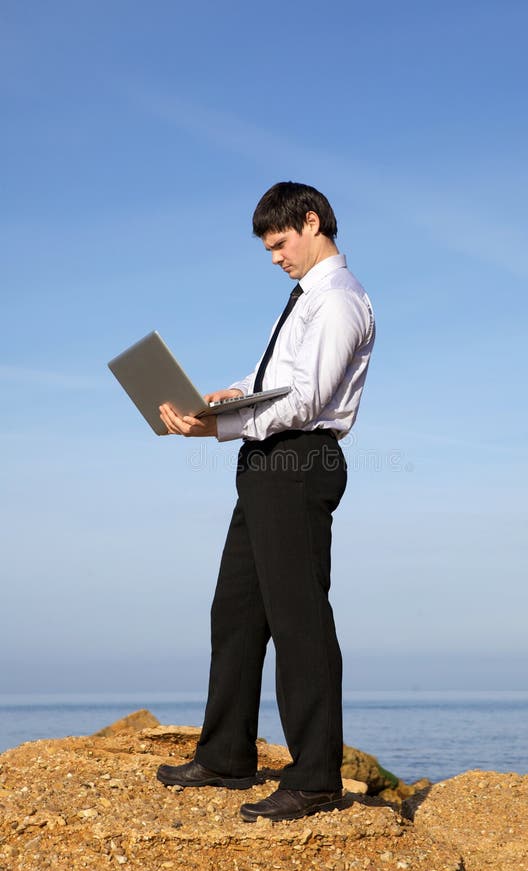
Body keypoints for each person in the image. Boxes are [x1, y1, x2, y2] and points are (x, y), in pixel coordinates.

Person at [156, 181, 375, 822]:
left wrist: (217, 427)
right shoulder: (305, 300)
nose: (275, 257)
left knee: (298, 619)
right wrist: (225, 400)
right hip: (267, 463)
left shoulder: (338, 301)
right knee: (238, 611)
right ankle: (226, 756)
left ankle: (315, 777)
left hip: (300, 460)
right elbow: (276, 386)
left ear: (312, 222)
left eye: (280, 243)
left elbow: (305, 402)